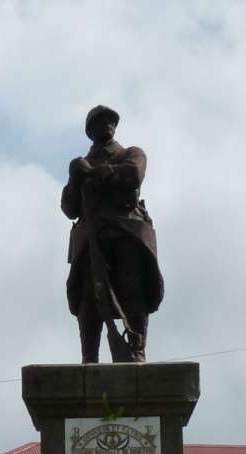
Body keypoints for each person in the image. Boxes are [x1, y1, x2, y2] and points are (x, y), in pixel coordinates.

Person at [61, 104, 165, 363]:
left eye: (111, 121)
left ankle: (137, 350)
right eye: (99, 122)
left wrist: (94, 172)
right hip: (92, 235)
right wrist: (75, 179)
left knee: (132, 286)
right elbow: (69, 208)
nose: (107, 125)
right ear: (90, 131)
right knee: (89, 294)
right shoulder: (80, 165)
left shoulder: (131, 153)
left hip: (126, 231)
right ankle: (89, 357)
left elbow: (133, 175)